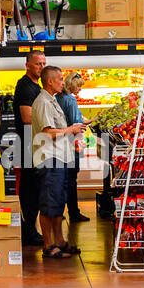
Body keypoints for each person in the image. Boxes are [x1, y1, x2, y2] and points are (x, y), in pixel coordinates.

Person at [32, 65, 85, 259]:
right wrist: (70, 130)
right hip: (49, 159)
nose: (63, 82)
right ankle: (48, 245)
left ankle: (60, 241)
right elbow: (47, 133)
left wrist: (72, 131)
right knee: (48, 204)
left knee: (57, 203)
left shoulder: (52, 100)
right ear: (50, 81)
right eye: (61, 79)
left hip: (59, 158)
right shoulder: (43, 102)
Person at [13, 51, 46, 247]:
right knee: (30, 189)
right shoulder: (25, 86)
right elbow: (27, 117)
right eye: (37, 64)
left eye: (43, 64)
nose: (41, 67)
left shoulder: (35, 86)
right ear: (27, 65)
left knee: (34, 187)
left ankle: (30, 229)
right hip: (27, 144)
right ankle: (28, 232)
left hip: (33, 143)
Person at [56, 72, 91, 223]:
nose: (80, 89)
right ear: (72, 85)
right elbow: (76, 122)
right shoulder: (70, 99)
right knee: (71, 180)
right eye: (79, 86)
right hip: (71, 143)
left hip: (60, 143)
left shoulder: (58, 97)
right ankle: (74, 212)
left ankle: (58, 212)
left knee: (62, 179)